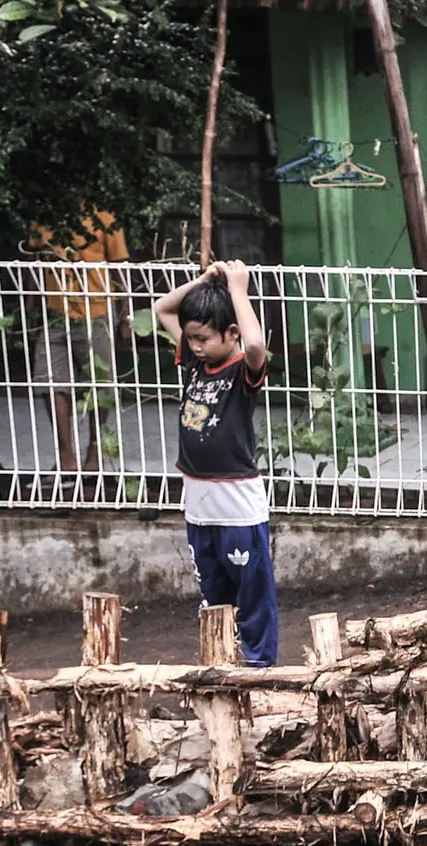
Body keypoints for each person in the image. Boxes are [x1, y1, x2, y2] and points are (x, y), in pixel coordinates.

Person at [152, 261, 278, 668]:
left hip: (238, 503)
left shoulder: (242, 370)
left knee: (253, 593)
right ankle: (220, 663)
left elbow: (256, 346)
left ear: (231, 334)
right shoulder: (194, 363)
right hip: (199, 503)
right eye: (191, 339)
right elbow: (162, 309)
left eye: (204, 338)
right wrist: (204, 281)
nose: (195, 346)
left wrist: (238, 291)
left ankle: (260, 668)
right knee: (213, 594)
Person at [25, 212, 130, 474]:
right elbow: (35, 264)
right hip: (54, 312)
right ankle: (65, 456)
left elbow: (119, 266)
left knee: (100, 384)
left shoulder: (104, 216)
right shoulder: (43, 215)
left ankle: (94, 455)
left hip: (96, 310)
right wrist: (30, 309)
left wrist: (126, 315)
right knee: (50, 380)